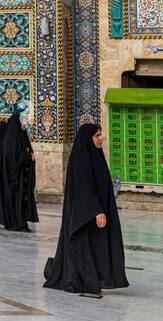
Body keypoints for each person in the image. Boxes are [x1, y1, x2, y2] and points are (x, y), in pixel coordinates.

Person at [44, 124, 128, 296]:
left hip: (93, 211)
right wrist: (97, 210)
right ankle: (81, 277)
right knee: (81, 245)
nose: (101, 138)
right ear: (87, 138)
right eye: (97, 135)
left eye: (100, 134)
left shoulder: (95, 156)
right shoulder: (81, 159)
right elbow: (84, 187)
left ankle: (96, 276)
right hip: (85, 213)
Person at [0, 110, 38, 231]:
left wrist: (28, 157)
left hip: (20, 177)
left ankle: (20, 222)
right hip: (12, 179)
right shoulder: (11, 139)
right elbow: (12, 158)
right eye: (23, 123)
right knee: (15, 201)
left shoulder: (21, 136)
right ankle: (16, 223)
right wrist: (28, 157)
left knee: (20, 202)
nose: (25, 125)